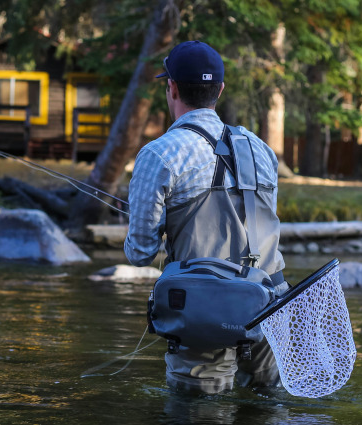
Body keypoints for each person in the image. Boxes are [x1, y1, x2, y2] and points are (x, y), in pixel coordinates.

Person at [124, 40, 288, 394]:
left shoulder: (159, 154)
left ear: (172, 87)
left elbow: (140, 252)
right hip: (272, 309)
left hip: (205, 316)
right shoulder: (262, 149)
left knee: (198, 415)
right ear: (220, 90)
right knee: (265, 412)